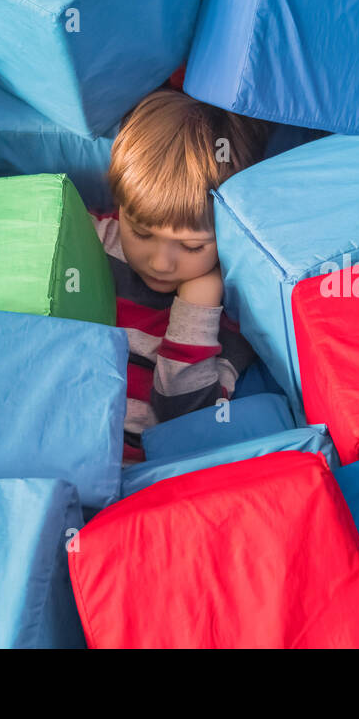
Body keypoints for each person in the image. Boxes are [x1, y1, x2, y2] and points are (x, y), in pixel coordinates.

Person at [93, 88, 271, 460]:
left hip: (130, 466)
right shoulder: (89, 237)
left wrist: (195, 311)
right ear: (120, 206)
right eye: (141, 232)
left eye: (191, 247)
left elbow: (187, 418)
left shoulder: (228, 314)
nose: (160, 262)